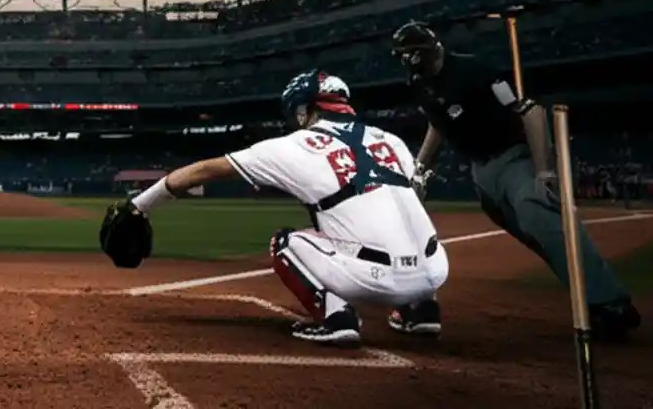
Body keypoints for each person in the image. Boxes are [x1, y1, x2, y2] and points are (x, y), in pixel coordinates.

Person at [100, 70, 448, 345]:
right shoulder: (392, 141)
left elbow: (204, 171)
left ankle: (336, 318)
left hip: (370, 279)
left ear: (303, 110)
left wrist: (140, 205)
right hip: (433, 271)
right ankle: (421, 311)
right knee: (398, 212)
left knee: (285, 242)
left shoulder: (295, 145)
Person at [390, 21, 641, 340]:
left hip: (513, 159)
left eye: (407, 54)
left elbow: (530, 112)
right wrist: (420, 168)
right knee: (541, 239)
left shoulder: (474, 71)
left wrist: (544, 171)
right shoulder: (421, 83)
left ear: (421, 53)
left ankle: (610, 303)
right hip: (482, 172)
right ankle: (591, 301)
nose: (404, 61)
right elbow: (437, 124)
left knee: (545, 221)